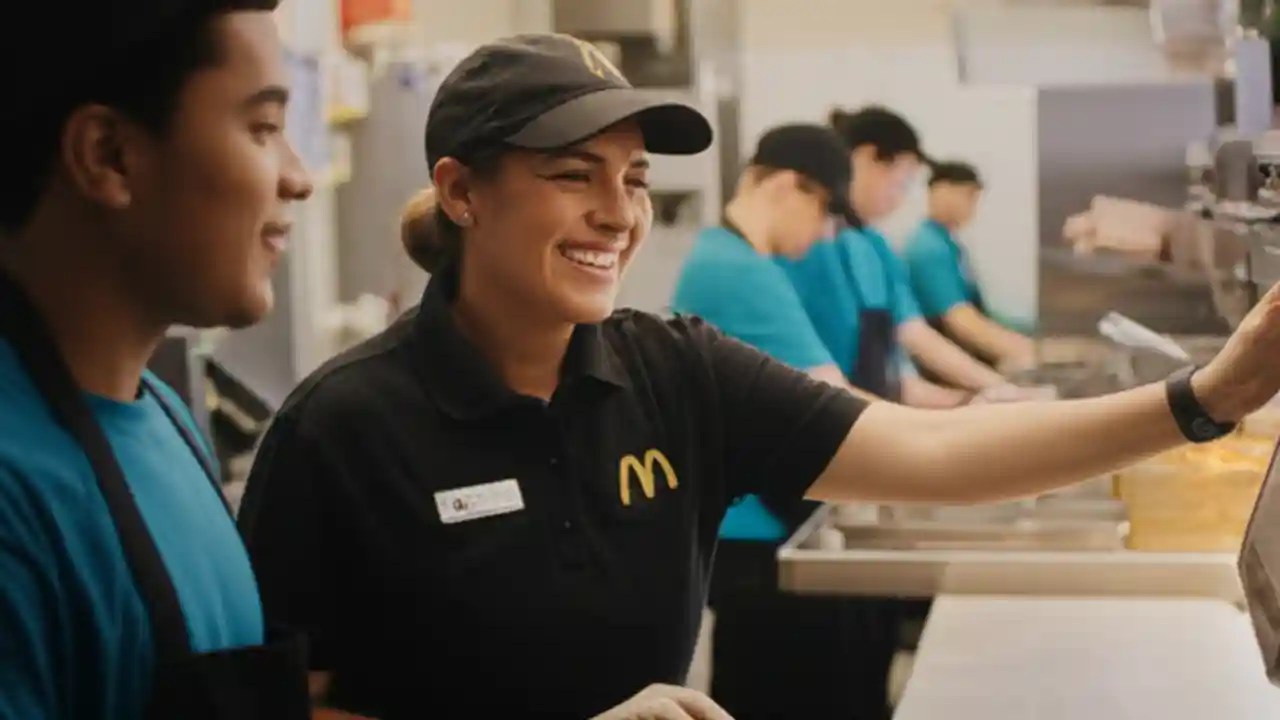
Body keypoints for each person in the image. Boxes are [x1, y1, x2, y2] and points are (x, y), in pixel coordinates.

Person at [239, 31, 1280, 720]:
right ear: (460, 192)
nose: (617, 211)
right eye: (572, 176)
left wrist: (1205, 398)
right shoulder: (344, 429)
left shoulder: (672, 370)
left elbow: (930, 451)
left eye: (634, 179)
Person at [0, 2, 315, 719]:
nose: (298, 177)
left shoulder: (164, 416)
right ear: (108, 156)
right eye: (263, 129)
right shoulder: (15, 491)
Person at [669, 123, 928, 719]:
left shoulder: (732, 258)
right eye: (822, 213)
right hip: (758, 539)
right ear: (788, 187)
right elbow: (835, 406)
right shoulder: (739, 270)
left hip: (759, 530)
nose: (821, 234)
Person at [787, 107, 1037, 395]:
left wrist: (994, 394)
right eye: (901, 183)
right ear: (868, 158)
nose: (900, 198)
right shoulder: (808, 245)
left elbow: (908, 338)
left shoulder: (873, 244)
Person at [904, 160, 1036, 369]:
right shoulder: (928, 249)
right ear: (941, 191)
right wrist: (1026, 351)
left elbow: (979, 312)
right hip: (949, 363)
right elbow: (962, 322)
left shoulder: (947, 244)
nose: (973, 206)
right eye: (969, 196)